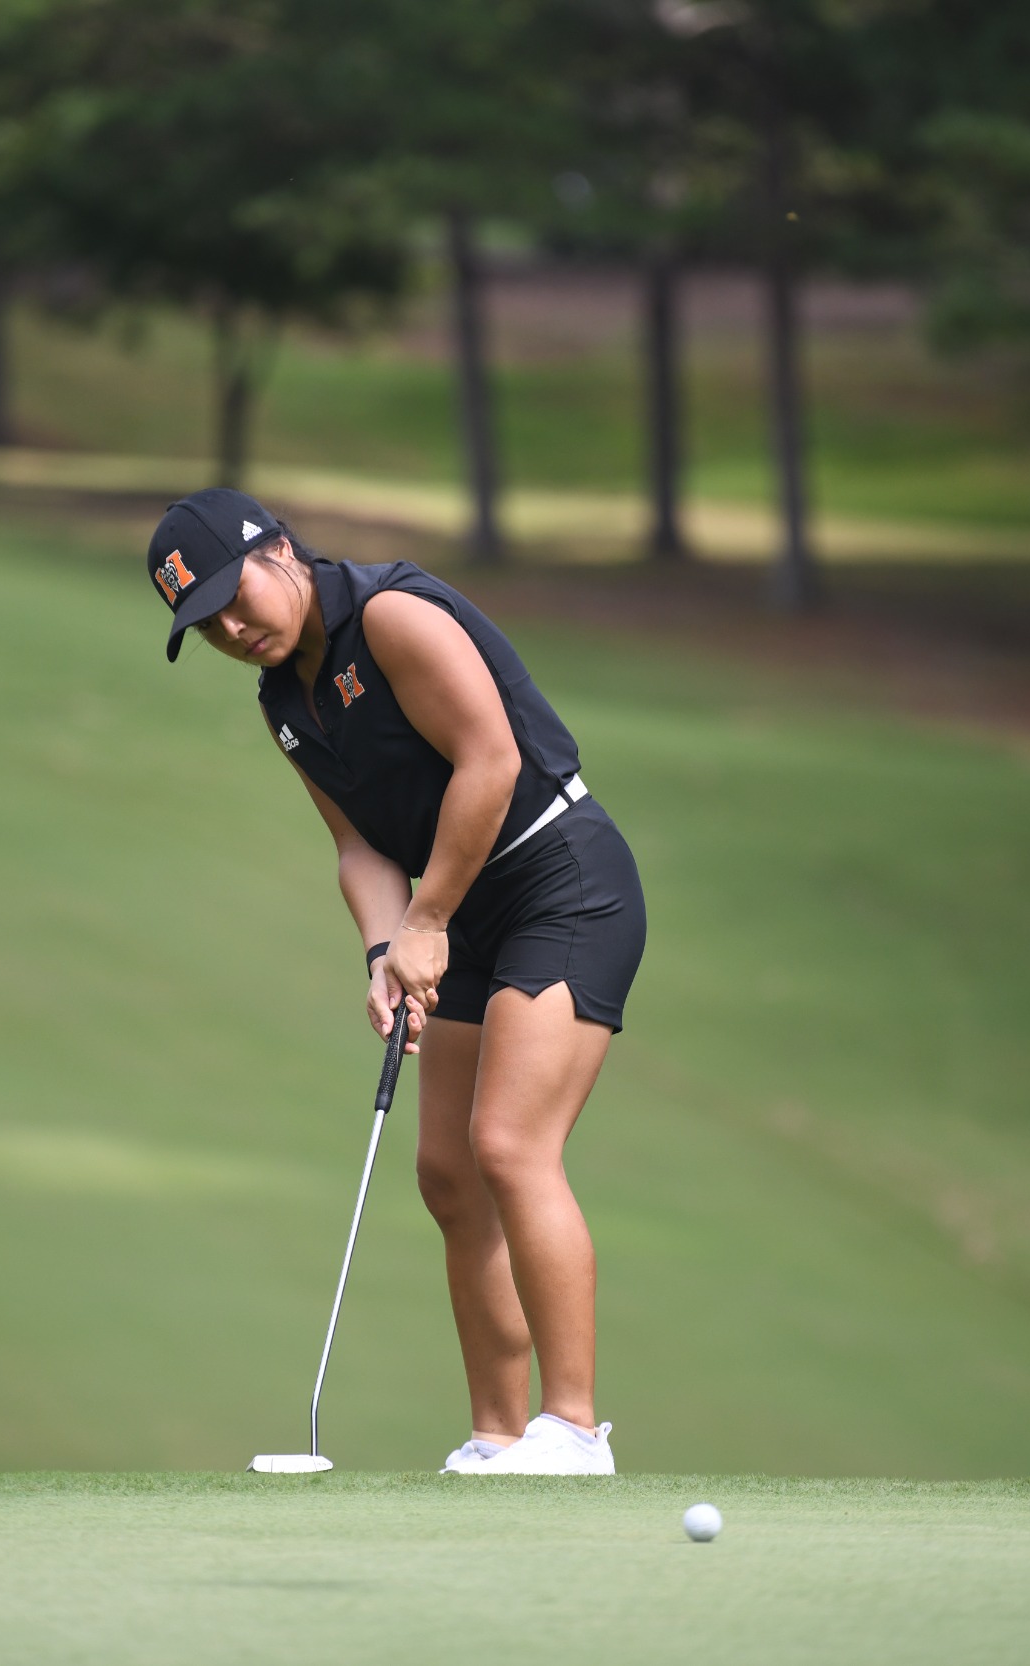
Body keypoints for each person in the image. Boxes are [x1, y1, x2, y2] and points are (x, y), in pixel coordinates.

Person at [149, 487, 646, 1476]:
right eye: (207, 624)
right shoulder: (282, 704)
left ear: (280, 549)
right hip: (463, 913)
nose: (234, 628)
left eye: (236, 597)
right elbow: (361, 845)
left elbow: (491, 764)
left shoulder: (389, 615)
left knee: (509, 1145)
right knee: (448, 1174)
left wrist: (425, 923)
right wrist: (386, 952)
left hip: (562, 880)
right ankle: (498, 1433)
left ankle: (576, 1428)